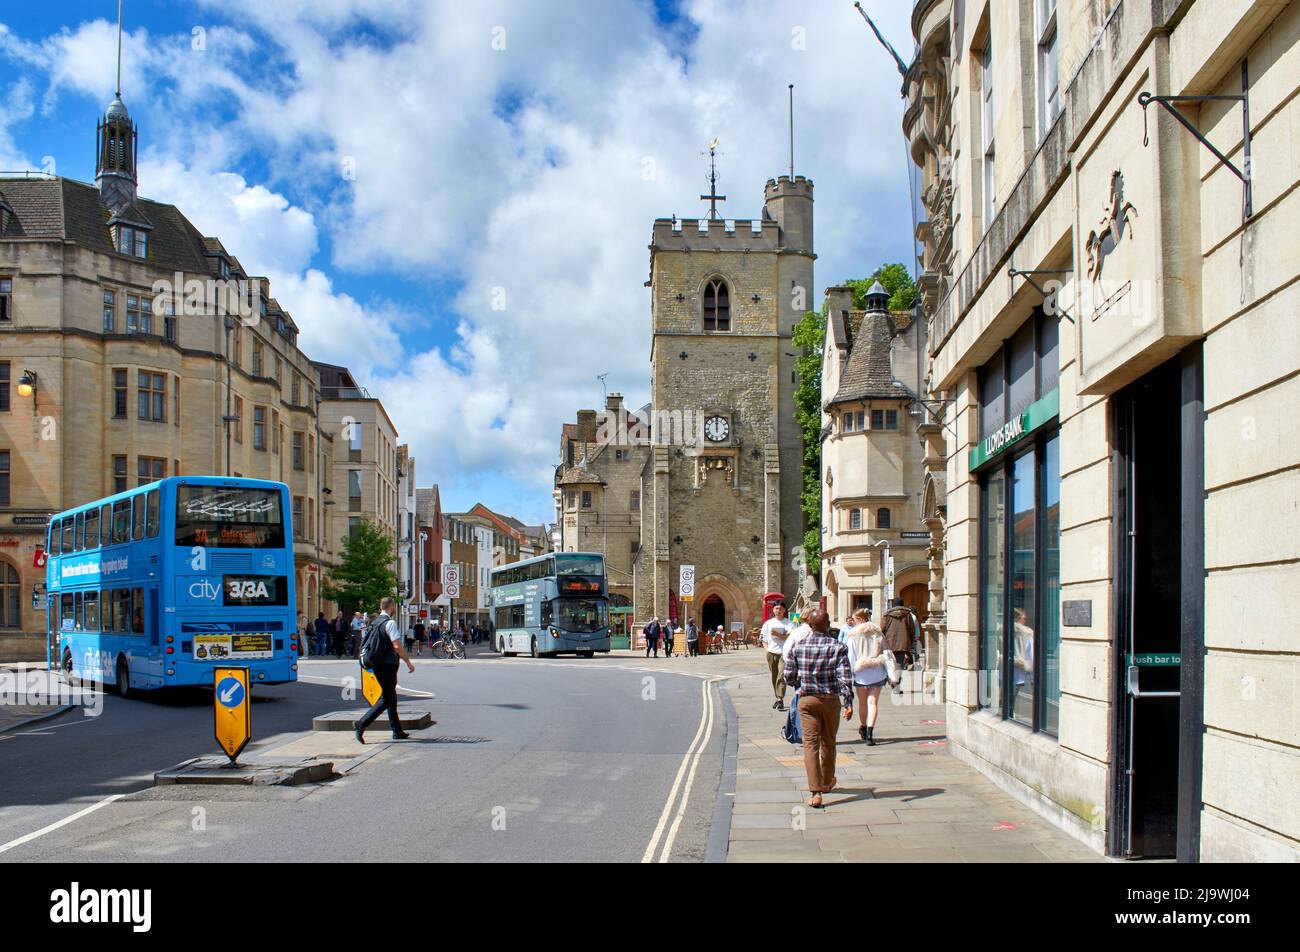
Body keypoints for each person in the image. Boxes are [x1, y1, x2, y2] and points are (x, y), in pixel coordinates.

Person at [782, 608, 853, 809]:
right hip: (831, 701)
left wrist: (800, 681)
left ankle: (815, 792)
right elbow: (845, 678)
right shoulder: (838, 647)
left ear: (810, 626)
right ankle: (827, 781)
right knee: (829, 743)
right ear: (828, 624)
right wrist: (848, 703)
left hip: (807, 700)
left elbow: (788, 676)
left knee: (810, 745)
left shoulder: (799, 647)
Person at [355, 597, 415, 744]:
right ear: (391, 607)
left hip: (376, 663)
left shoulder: (373, 623)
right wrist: (407, 661)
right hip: (388, 665)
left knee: (391, 697)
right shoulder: (390, 623)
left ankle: (397, 731)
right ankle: (361, 723)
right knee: (387, 699)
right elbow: (397, 645)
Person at [843, 610, 888, 744]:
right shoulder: (878, 633)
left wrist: (849, 672)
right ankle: (869, 733)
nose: (853, 621)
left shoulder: (853, 635)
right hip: (877, 670)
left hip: (861, 672)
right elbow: (885, 651)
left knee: (862, 703)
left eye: (854, 619)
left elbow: (851, 656)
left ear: (859, 619)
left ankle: (863, 727)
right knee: (873, 703)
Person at [881, 599, 918, 695]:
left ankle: (893, 682)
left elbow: (882, 629)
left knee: (889, 663)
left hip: (889, 643)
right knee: (899, 664)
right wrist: (911, 642)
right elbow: (911, 629)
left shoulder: (887, 615)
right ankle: (896, 683)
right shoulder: (908, 615)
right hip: (903, 643)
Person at [760, 601, 793, 711]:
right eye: (776, 609)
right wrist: (767, 651)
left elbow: (789, 638)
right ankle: (777, 697)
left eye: (780, 609)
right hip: (771, 653)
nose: (778, 611)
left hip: (784, 653)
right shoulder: (768, 623)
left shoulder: (789, 623)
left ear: (784, 610)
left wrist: (777, 634)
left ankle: (780, 699)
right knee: (774, 676)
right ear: (773, 610)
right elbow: (763, 639)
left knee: (781, 676)